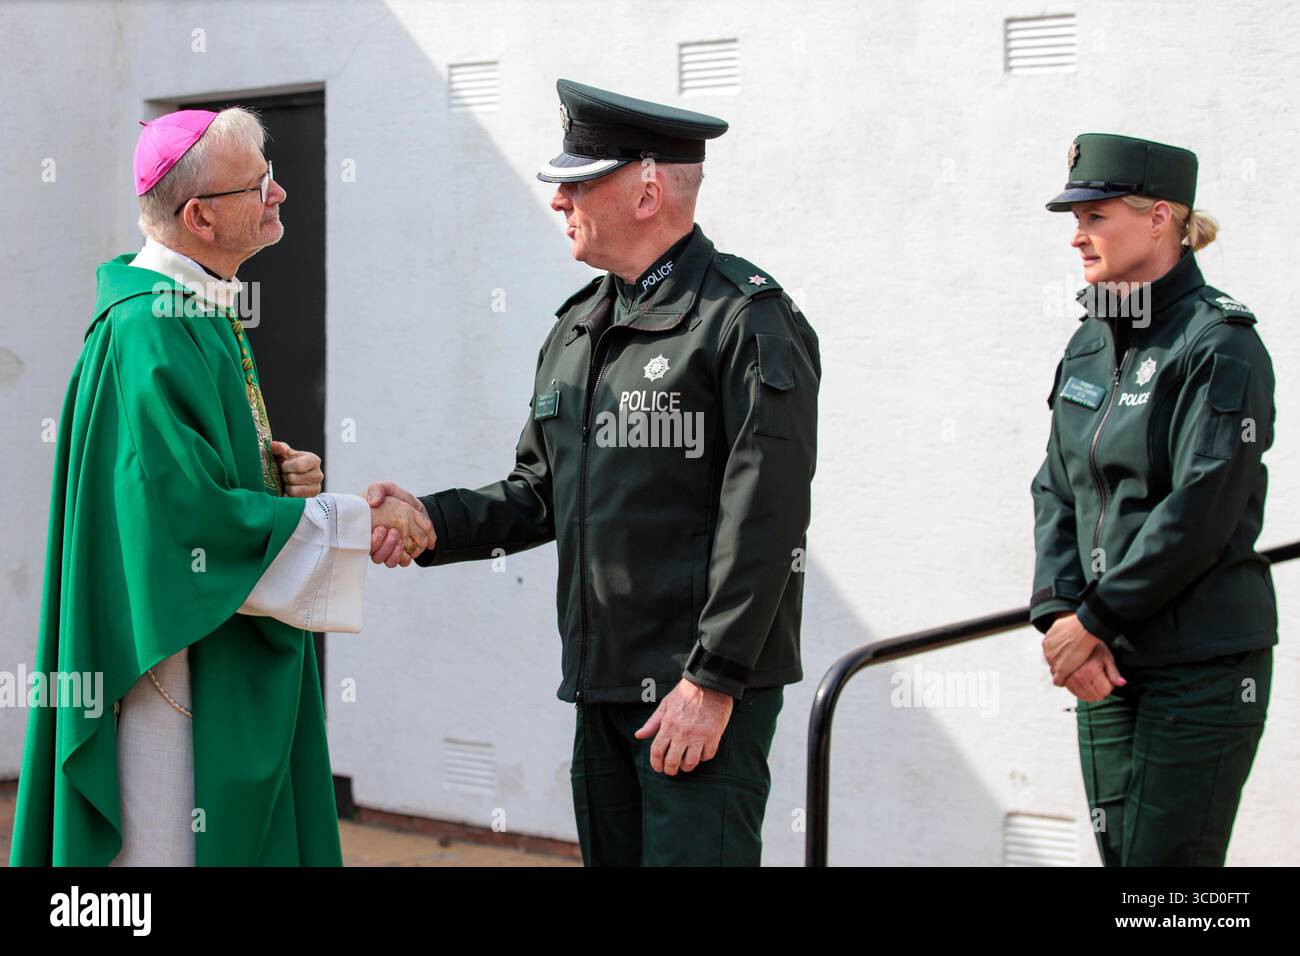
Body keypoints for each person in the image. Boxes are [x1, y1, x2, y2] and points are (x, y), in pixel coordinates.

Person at [369, 78, 820, 866]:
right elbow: (541, 491)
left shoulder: (745, 320)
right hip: (602, 687)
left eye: (576, 182)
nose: (558, 201)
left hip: (699, 691)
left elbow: (767, 519)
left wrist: (713, 682)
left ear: (647, 189)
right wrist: (431, 521)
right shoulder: (580, 328)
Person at [9, 108, 433, 866]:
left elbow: (201, 476)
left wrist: (279, 480)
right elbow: (186, 521)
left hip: (209, 645)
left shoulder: (198, 305)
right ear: (199, 216)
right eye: (260, 182)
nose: (281, 192)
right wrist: (351, 522)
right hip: (168, 663)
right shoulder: (147, 331)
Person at [1030, 133, 1276, 866]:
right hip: (1102, 658)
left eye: (1097, 216)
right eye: (1075, 220)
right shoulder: (1089, 342)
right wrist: (1058, 614)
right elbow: (1055, 487)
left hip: (1199, 664)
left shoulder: (1219, 342)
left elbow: (1203, 505)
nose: (1078, 237)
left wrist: (1095, 617)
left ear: (1160, 217)